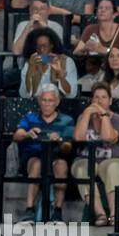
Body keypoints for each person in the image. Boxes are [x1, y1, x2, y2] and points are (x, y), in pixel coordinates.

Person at [13, 85, 75, 222]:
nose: (47, 104)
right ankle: (29, 210)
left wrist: (59, 140)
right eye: (44, 100)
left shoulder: (67, 120)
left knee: (61, 166)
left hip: (56, 155)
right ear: (39, 101)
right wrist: (28, 134)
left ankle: (57, 212)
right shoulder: (30, 118)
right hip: (33, 155)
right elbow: (17, 135)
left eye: (51, 101)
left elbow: (67, 147)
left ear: (57, 102)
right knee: (36, 164)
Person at [71, 83, 119, 226]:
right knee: (82, 170)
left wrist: (103, 115)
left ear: (110, 101)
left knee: (112, 167)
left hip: (113, 159)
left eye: (103, 97)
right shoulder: (83, 117)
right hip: (85, 159)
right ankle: (100, 214)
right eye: (96, 97)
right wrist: (86, 113)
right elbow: (78, 137)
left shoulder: (117, 119)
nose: (99, 101)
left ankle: (115, 215)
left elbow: (108, 137)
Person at [74, 0, 119, 65]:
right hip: (95, 68)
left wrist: (103, 49)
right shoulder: (89, 29)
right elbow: (75, 52)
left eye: (107, 8)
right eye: (100, 8)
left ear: (114, 14)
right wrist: (84, 49)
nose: (103, 10)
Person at [19, 34, 77, 99]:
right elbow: (24, 95)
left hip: (59, 103)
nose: (41, 49)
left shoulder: (67, 62)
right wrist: (29, 72)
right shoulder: (30, 64)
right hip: (35, 103)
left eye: (45, 46)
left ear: (51, 46)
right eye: (38, 46)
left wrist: (61, 76)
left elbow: (72, 94)